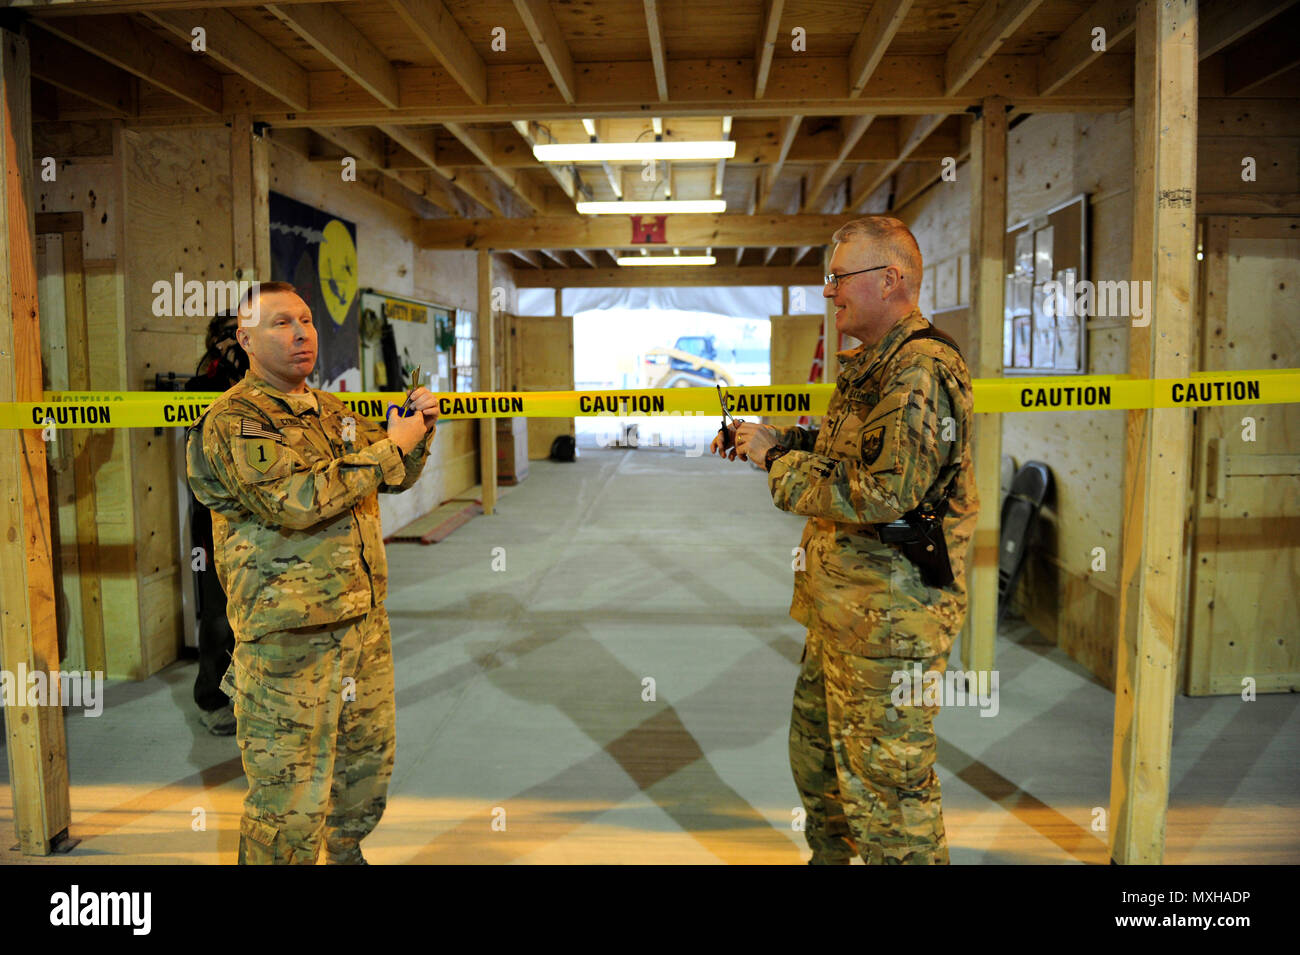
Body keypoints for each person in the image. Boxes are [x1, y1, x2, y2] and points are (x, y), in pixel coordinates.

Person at [711, 216, 979, 864]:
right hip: (844, 614)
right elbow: (849, 453)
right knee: (822, 764)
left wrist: (779, 462)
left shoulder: (919, 370)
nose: (830, 293)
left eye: (838, 279)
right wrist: (774, 439)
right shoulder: (877, 366)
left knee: (889, 794)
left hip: (890, 623)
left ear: (890, 280)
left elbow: (885, 492)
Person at [185, 281, 438, 864]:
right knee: (289, 805)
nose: (300, 333)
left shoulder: (330, 411)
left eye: (306, 319)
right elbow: (294, 499)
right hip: (289, 641)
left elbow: (392, 474)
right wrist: (388, 449)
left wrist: (416, 432)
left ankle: (348, 857)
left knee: (361, 778)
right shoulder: (234, 420)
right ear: (245, 340)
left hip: (361, 628)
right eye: (280, 323)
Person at [187, 312, 246, 736]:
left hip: (257, 510)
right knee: (217, 612)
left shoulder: (262, 379)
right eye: (228, 339)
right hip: (213, 512)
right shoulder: (203, 385)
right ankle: (212, 699)